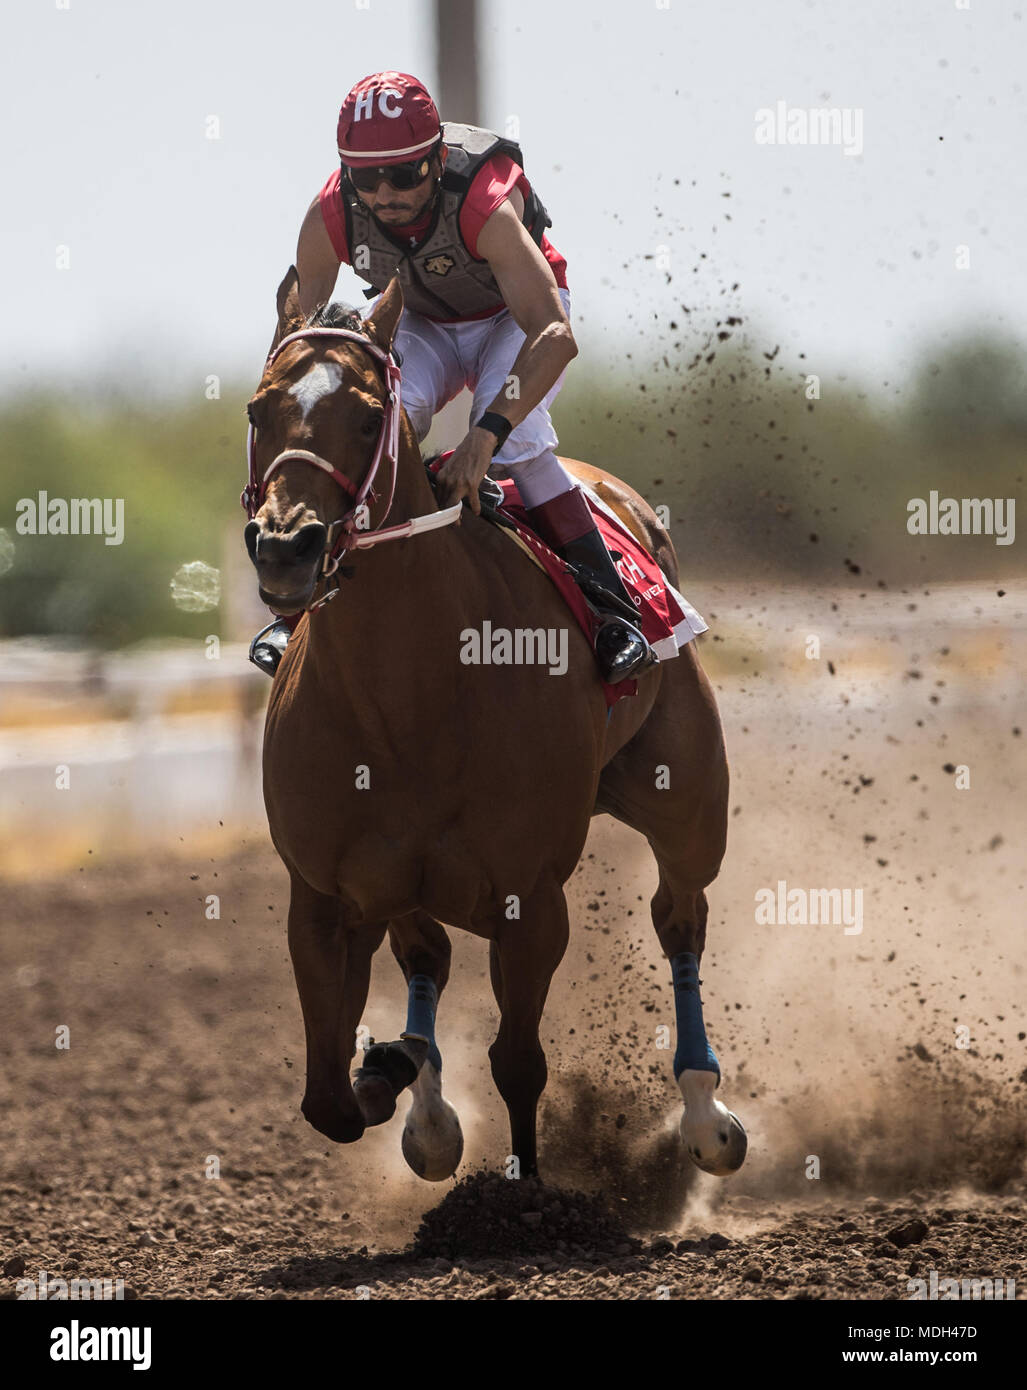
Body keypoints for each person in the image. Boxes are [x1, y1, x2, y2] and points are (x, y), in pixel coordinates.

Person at [250, 70, 654, 683]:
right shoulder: (329, 214)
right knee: (370, 416)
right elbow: (298, 348)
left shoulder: (482, 203)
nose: (384, 193)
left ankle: (611, 613)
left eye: (404, 174)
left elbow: (554, 334)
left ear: (437, 160)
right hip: (423, 320)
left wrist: (482, 439)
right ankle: (296, 606)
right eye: (366, 177)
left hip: (512, 321)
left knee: (517, 441)